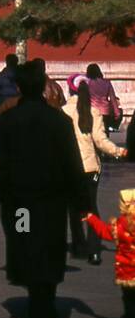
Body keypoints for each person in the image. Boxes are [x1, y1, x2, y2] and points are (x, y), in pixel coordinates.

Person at [0, 60, 88, 318]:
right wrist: (81, 200)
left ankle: (38, 310)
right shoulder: (60, 121)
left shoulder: (7, 120)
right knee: (50, 248)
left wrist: (4, 194)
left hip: (20, 204)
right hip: (52, 203)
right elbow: (73, 163)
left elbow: (0, 163)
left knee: (26, 245)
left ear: (19, 86)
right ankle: (47, 305)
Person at [63, 73, 125, 264]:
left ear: (70, 89)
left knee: (73, 208)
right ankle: (94, 249)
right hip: (90, 168)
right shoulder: (93, 112)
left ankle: (79, 246)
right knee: (91, 208)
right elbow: (100, 140)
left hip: (70, 168)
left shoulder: (63, 112)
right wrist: (118, 151)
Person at [85, 188, 135, 318]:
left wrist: (91, 218)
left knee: (129, 298)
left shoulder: (119, 225)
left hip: (127, 271)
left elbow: (104, 232)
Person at [85, 63, 123, 134]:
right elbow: (113, 99)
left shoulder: (87, 83)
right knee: (104, 134)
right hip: (105, 112)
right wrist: (117, 112)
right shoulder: (107, 83)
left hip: (91, 112)